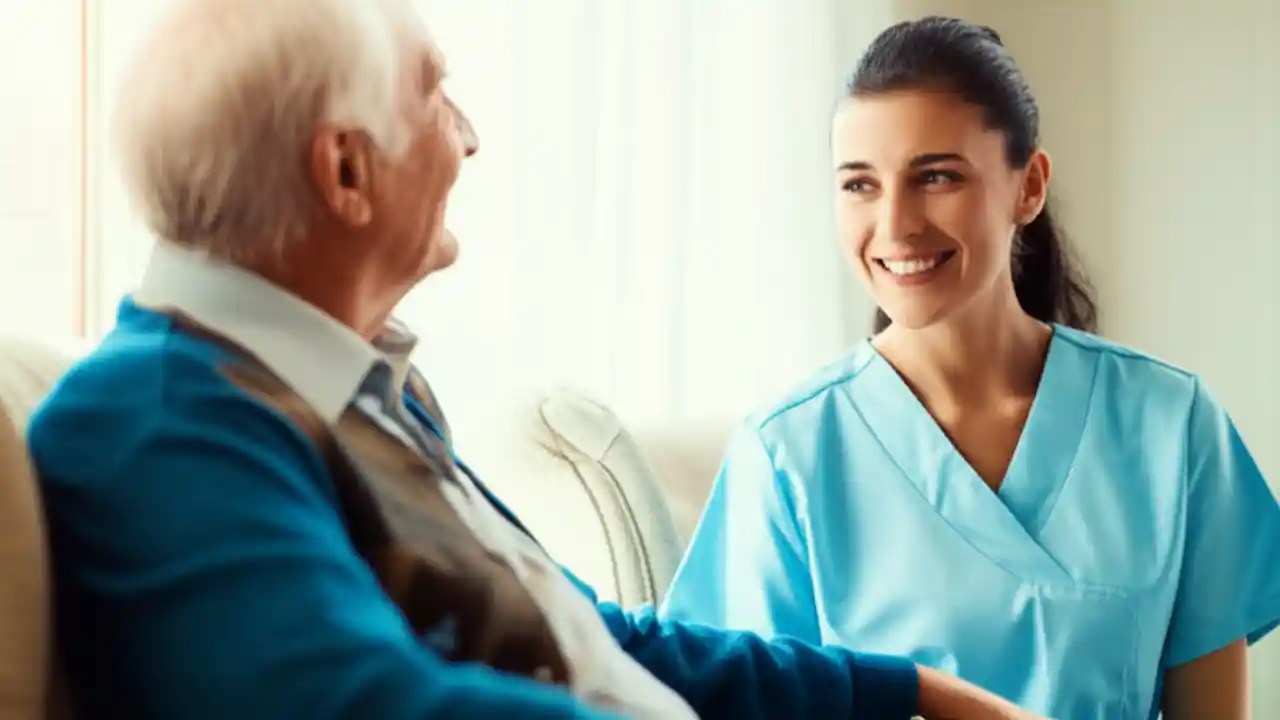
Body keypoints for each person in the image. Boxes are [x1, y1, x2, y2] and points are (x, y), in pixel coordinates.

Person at [25, 1, 1041, 718]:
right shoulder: (159, 421)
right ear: (346, 170)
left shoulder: (357, 391)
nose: (467, 142)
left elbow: (588, 635)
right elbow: (363, 706)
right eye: (434, 100)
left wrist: (902, 690)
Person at [660, 15, 1280, 720]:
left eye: (937, 177)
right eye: (860, 186)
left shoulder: (1170, 424)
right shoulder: (788, 455)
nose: (896, 226)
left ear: (1030, 186)